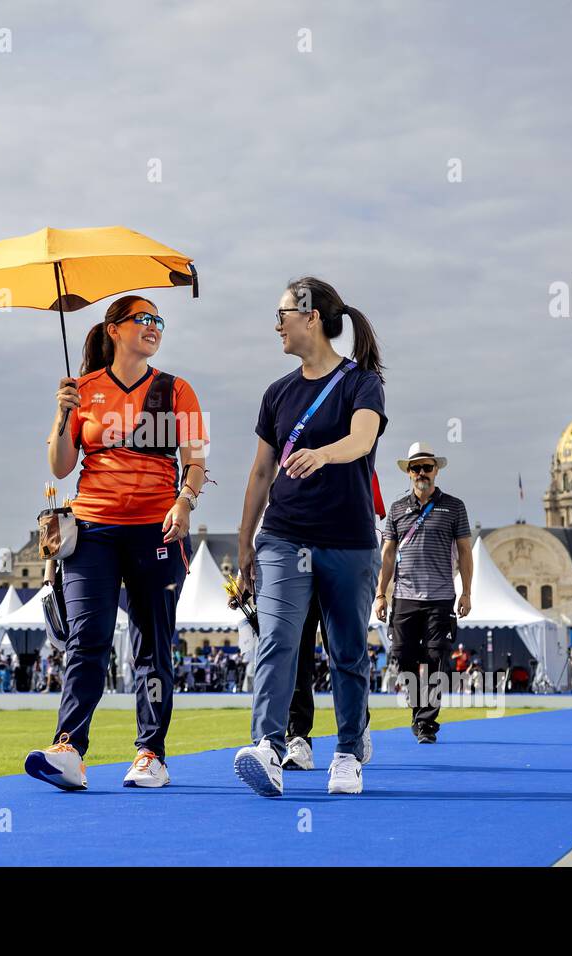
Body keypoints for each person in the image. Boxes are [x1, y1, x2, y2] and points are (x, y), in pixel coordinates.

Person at [25, 294, 207, 791]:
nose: (154, 327)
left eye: (158, 321)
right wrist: (63, 414)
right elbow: (60, 466)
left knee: (152, 646)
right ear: (114, 329)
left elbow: (195, 459)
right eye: (143, 320)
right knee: (88, 638)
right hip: (93, 531)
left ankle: (151, 754)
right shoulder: (81, 389)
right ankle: (68, 750)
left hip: (157, 528)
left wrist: (185, 501)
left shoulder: (176, 389)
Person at [232, 277, 387, 797]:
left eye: (282, 314)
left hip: (348, 540)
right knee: (277, 640)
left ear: (311, 316)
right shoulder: (276, 393)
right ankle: (268, 748)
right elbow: (259, 474)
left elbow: (363, 437)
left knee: (347, 651)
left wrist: (323, 454)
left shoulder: (360, 383)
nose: (277, 324)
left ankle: (347, 752)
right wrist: (244, 540)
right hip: (283, 536)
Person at [375, 441, 473, 744]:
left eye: (426, 467)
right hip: (404, 596)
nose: (421, 473)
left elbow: (465, 552)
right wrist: (381, 593)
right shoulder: (396, 509)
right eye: (415, 468)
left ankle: (427, 724)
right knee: (402, 656)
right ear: (408, 473)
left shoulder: (454, 506)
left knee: (434, 658)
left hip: (441, 596)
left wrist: (466, 592)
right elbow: (388, 553)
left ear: (436, 470)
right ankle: (418, 709)